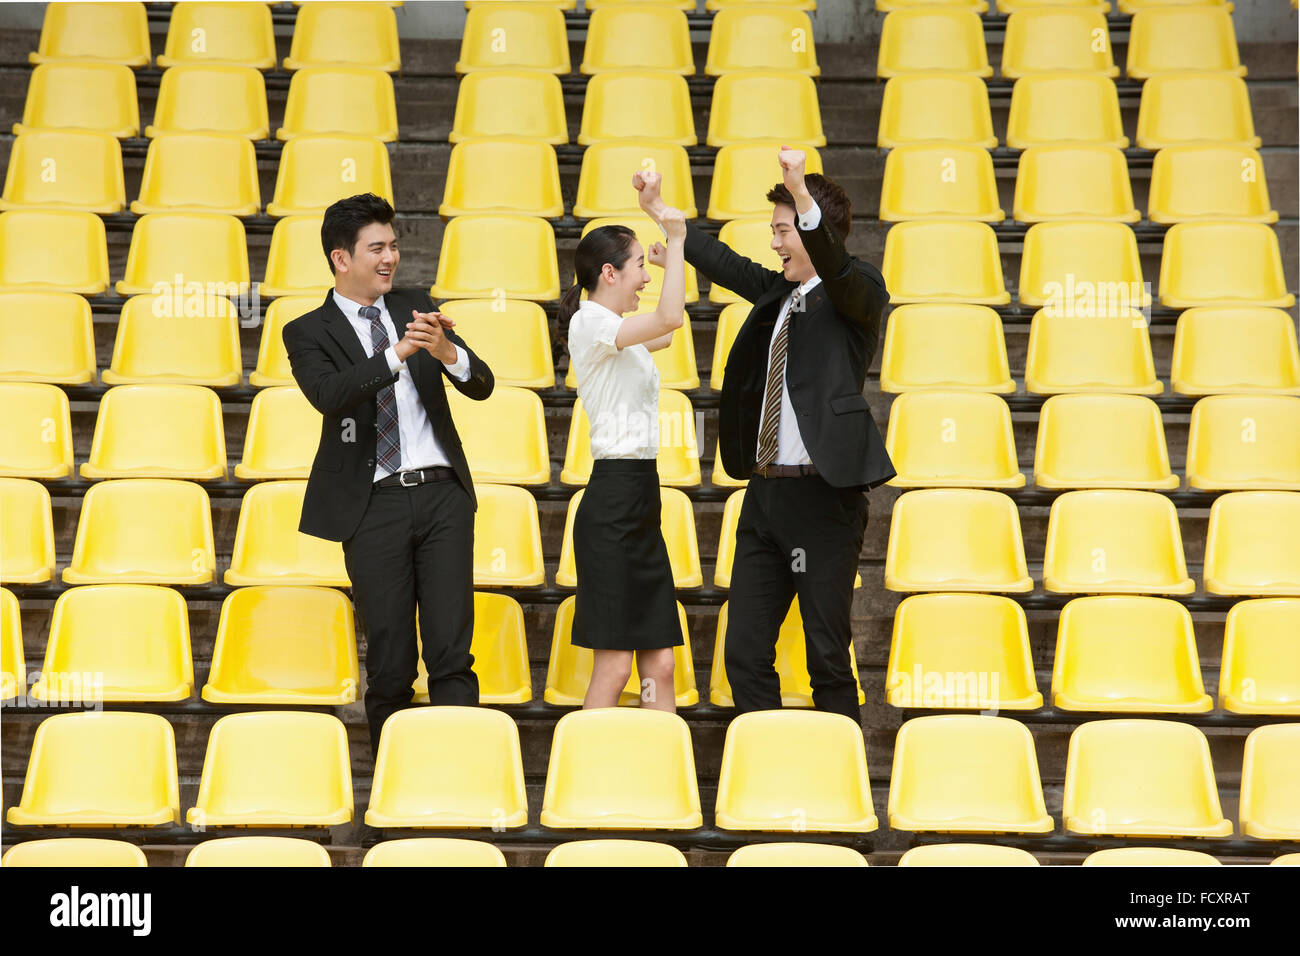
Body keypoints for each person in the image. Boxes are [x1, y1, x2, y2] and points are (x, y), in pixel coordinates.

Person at [636, 147, 896, 725]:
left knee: (827, 655)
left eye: (784, 231)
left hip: (824, 499)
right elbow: (726, 263)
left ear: (813, 229)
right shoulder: (779, 292)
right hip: (765, 498)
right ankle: (771, 764)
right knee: (745, 652)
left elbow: (836, 265)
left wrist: (801, 192)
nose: (775, 244)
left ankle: (839, 772)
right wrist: (663, 216)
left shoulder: (857, 292)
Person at [282, 192, 495, 757]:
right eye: (376, 248)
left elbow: (483, 383)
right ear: (340, 258)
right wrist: (396, 353)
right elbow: (329, 395)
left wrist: (448, 351)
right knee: (392, 661)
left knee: (452, 653)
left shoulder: (417, 305)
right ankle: (396, 787)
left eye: (394, 246)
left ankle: (462, 778)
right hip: (372, 506)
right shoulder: (306, 330)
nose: (390, 258)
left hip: (443, 495)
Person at [559, 176, 690, 711]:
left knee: (659, 663)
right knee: (613, 666)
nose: (644, 278)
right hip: (612, 499)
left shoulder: (619, 329)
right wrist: (676, 242)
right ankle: (592, 781)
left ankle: (660, 777)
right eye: (638, 267)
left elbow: (665, 328)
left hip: (641, 498)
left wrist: (666, 256)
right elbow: (670, 315)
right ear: (609, 273)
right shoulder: (591, 323)